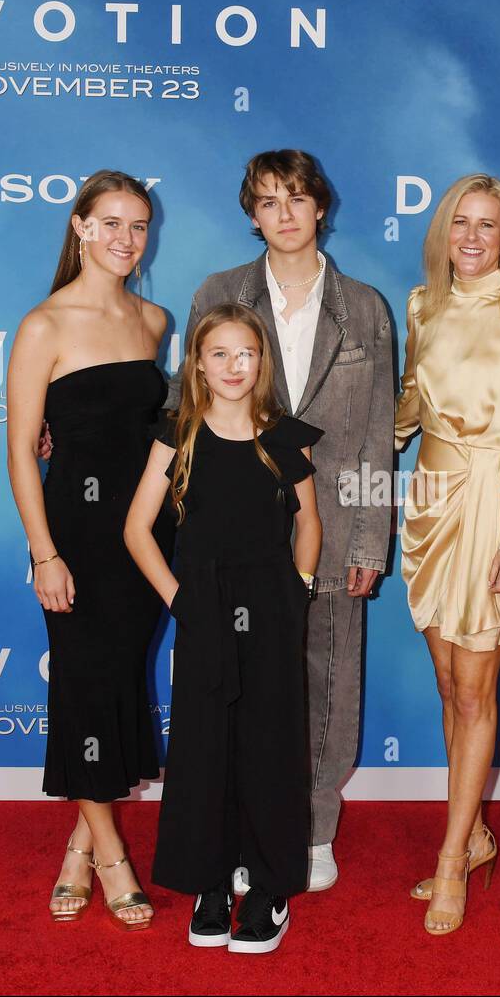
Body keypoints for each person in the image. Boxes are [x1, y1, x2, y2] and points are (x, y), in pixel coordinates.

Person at [164, 150, 393, 893]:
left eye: (297, 197)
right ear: (252, 214)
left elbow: (377, 430)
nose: (285, 213)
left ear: (320, 206)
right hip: (232, 531)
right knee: (236, 689)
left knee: (328, 681)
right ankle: (240, 830)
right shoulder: (219, 292)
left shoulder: (364, 308)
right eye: (268, 201)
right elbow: (184, 409)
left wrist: (368, 538)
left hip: (327, 526)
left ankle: (316, 825)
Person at [6, 169, 175, 931]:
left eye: (137, 226)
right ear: (79, 226)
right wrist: (43, 552)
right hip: (73, 535)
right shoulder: (43, 324)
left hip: (146, 533)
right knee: (84, 683)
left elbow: (157, 435)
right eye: (110, 223)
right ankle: (110, 857)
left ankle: (79, 846)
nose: (125, 239)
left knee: (120, 682)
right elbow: (19, 451)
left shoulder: (155, 320)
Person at [125, 303, 322, 954]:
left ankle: (267, 887)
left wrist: (297, 591)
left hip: (271, 605)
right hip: (203, 605)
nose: (234, 366)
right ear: (199, 362)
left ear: (261, 362)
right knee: (204, 746)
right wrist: (180, 601)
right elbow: (136, 528)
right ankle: (210, 883)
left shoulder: (283, 435)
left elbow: (309, 524)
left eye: (247, 353)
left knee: (270, 746)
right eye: (220, 354)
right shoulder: (176, 432)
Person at [394, 174, 500, 935]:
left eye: (487, 225)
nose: (470, 237)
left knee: (473, 691)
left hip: (494, 506)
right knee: (445, 683)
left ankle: (454, 854)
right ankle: (478, 830)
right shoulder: (421, 305)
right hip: (430, 501)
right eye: (459, 222)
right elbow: (405, 405)